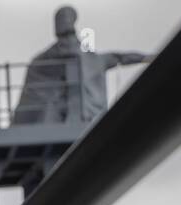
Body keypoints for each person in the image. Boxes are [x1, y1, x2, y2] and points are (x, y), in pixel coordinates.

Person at [13, 5, 151, 126]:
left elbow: (119, 57)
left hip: (85, 114)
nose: (67, 41)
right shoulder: (43, 61)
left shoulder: (91, 58)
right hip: (57, 114)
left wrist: (146, 58)